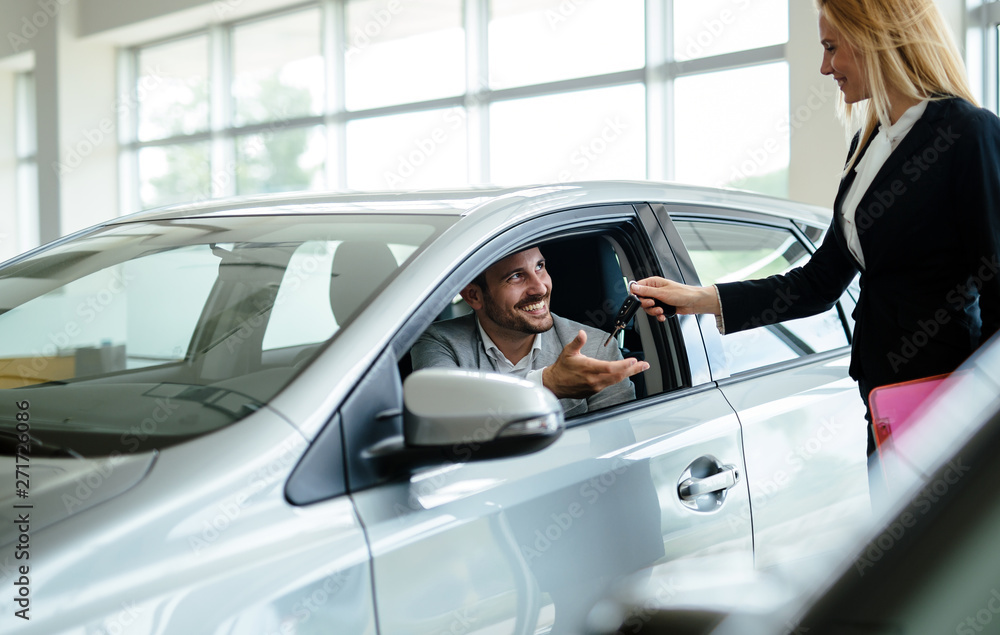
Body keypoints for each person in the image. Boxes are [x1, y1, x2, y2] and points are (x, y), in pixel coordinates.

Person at [630, 0, 1000, 496]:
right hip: (885, 405)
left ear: (875, 38)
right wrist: (698, 298)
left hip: (946, 405)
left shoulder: (965, 132)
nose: (825, 67)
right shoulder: (868, 145)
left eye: (831, 48)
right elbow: (820, 282)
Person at [411, 246, 648, 417]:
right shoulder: (439, 341)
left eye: (540, 267)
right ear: (474, 296)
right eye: (516, 276)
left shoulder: (595, 348)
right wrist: (545, 384)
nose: (540, 287)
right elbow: (439, 413)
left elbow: (617, 449)